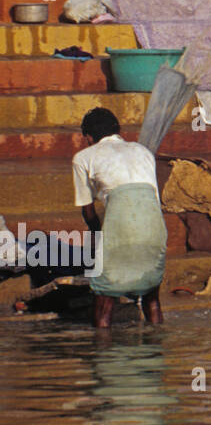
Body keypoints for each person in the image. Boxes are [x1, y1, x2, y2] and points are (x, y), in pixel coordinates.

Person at [71, 108, 167, 329]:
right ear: (118, 131)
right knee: (152, 299)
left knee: (104, 301)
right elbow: (148, 198)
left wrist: (98, 246)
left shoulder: (83, 158)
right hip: (154, 226)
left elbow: (88, 213)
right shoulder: (143, 151)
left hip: (122, 226)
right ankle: (155, 356)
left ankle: (104, 357)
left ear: (88, 137)